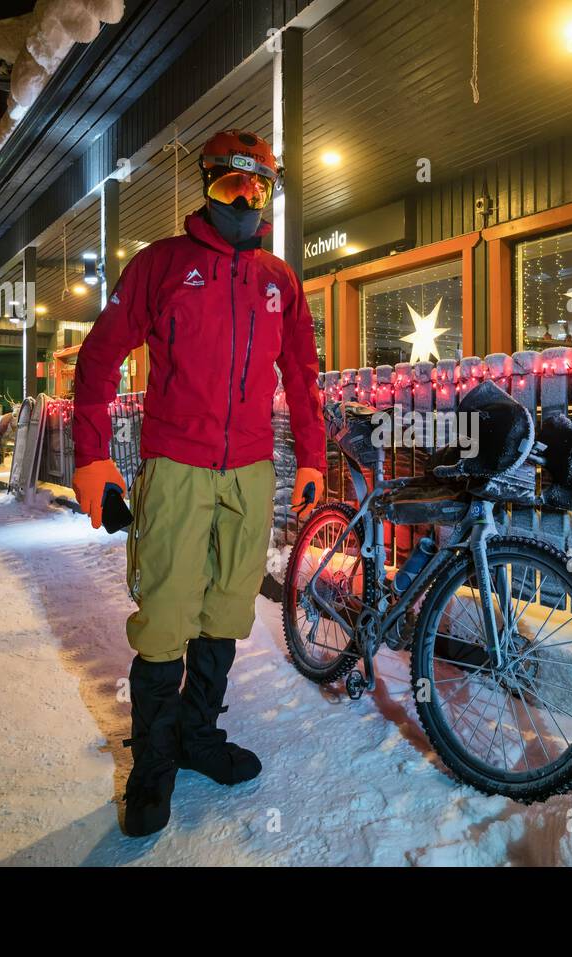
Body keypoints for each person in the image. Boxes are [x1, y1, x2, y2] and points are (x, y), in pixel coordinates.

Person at [71, 129, 326, 837]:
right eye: (229, 185)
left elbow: (302, 376)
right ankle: (152, 765)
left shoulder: (280, 281)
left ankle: (196, 737)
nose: (243, 200)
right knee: (165, 617)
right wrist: (91, 455)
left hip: (248, 472)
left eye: (257, 188)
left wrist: (312, 456)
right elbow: (97, 361)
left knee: (225, 613)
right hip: (177, 469)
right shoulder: (161, 265)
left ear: (271, 196)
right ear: (206, 185)